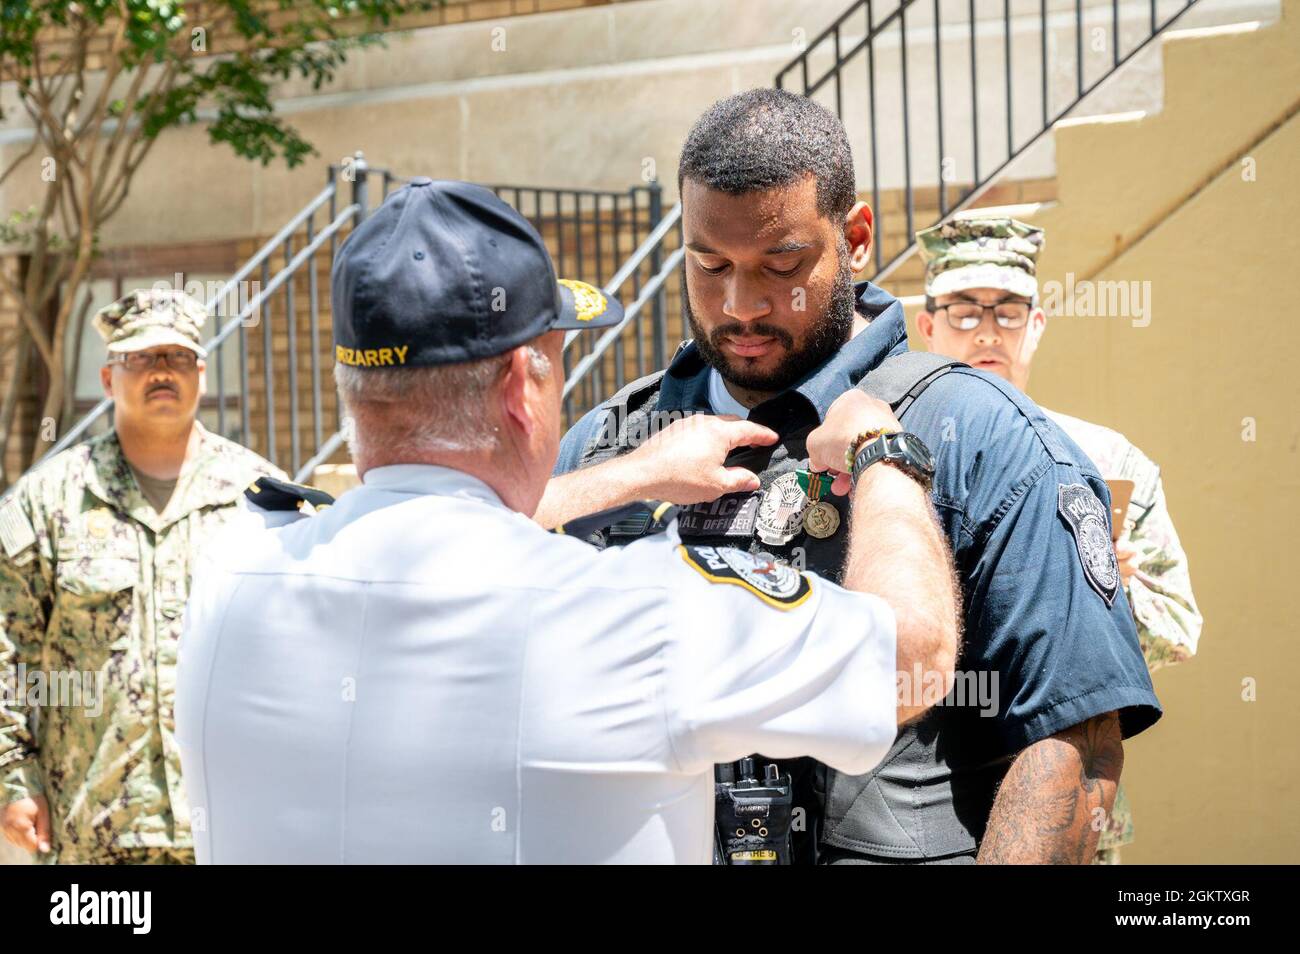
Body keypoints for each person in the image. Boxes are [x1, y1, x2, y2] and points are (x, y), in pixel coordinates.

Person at [173, 177, 960, 865]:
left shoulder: (230, 576)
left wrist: (627, 476)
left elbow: (429, 515)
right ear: (523, 383)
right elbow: (914, 653)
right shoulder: (644, 617)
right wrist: (882, 449)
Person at [542, 88, 1163, 864]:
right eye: (710, 264)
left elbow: (1077, 741)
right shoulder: (606, 449)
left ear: (857, 237)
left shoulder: (982, 433)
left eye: (782, 264)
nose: (742, 304)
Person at [913, 214, 1203, 864]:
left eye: (1009, 311)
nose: (987, 330)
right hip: (919, 792)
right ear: (926, 326)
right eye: (963, 311)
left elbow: (1180, 626)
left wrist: (1114, 598)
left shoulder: (1107, 460)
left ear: (1036, 326)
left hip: (1070, 794)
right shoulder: (890, 453)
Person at [0, 289, 283, 864]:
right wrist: (12, 774)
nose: (161, 371)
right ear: (108, 379)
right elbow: (8, 647)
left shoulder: (264, 497)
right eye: (141, 358)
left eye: (176, 358)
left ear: (201, 374)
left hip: (232, 828)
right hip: (93, 830)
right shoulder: (46, 500)